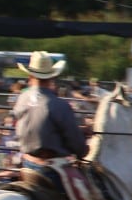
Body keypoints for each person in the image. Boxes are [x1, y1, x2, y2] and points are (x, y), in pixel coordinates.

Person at [12, 50, 89, 186]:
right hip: (51, 170)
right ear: (51, 78)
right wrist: (83, 150)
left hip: (27, 164)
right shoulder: (60, 105)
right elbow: (75, 142)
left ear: (30, 75)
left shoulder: (21, 99)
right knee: (86, 191)